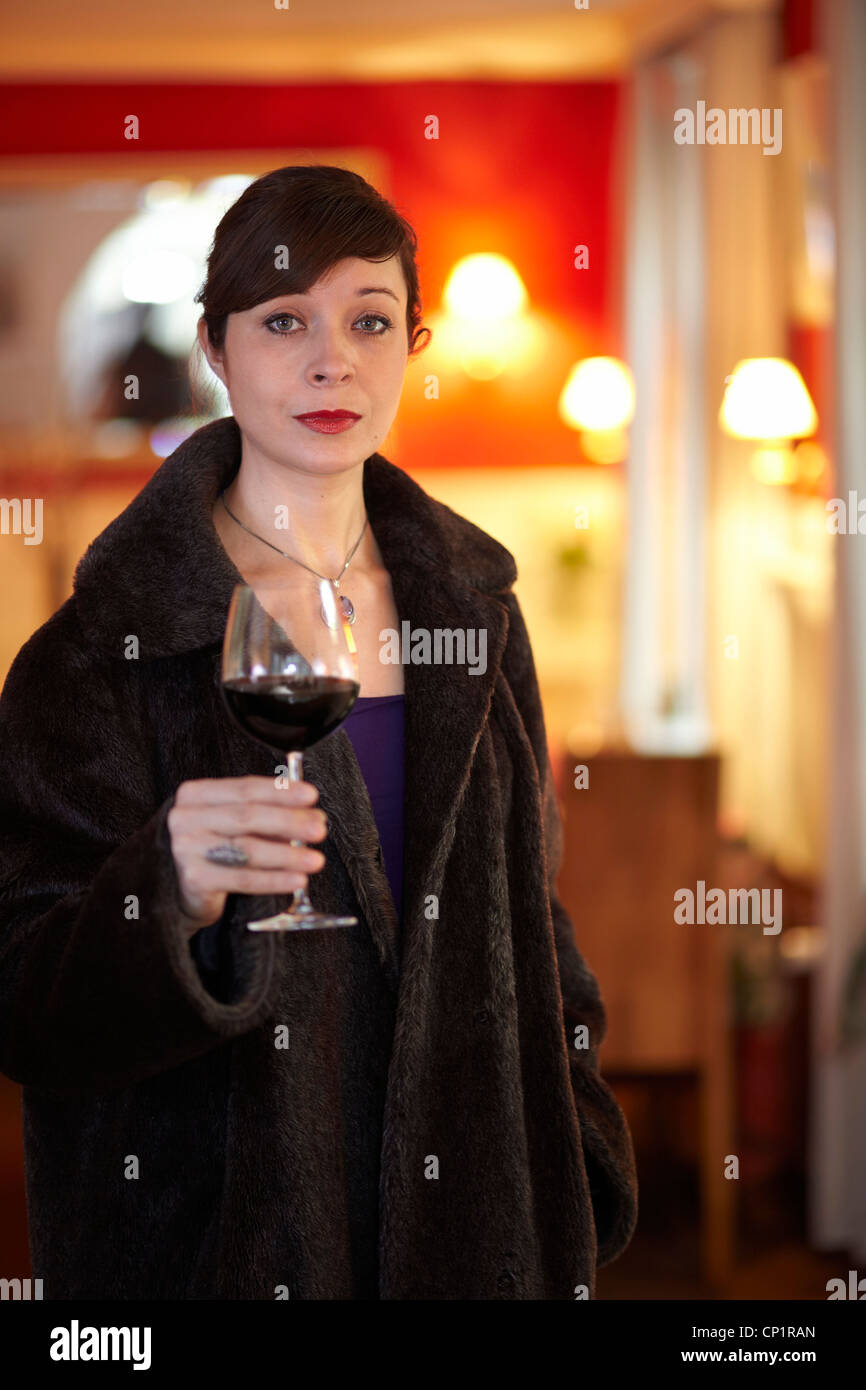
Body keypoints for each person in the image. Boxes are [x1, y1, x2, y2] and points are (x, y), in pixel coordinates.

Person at [0, 165, 637, 1300]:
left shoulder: (475, 608)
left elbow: (531, 908)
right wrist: (166, 893)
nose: (330, 357)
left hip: (478, 1245)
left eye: (369, 320)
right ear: (215, 346)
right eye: (284, 319)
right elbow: (25, 1000)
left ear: (411, 344)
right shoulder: (98, 648)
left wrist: (575, 1150)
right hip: (222, 1254)